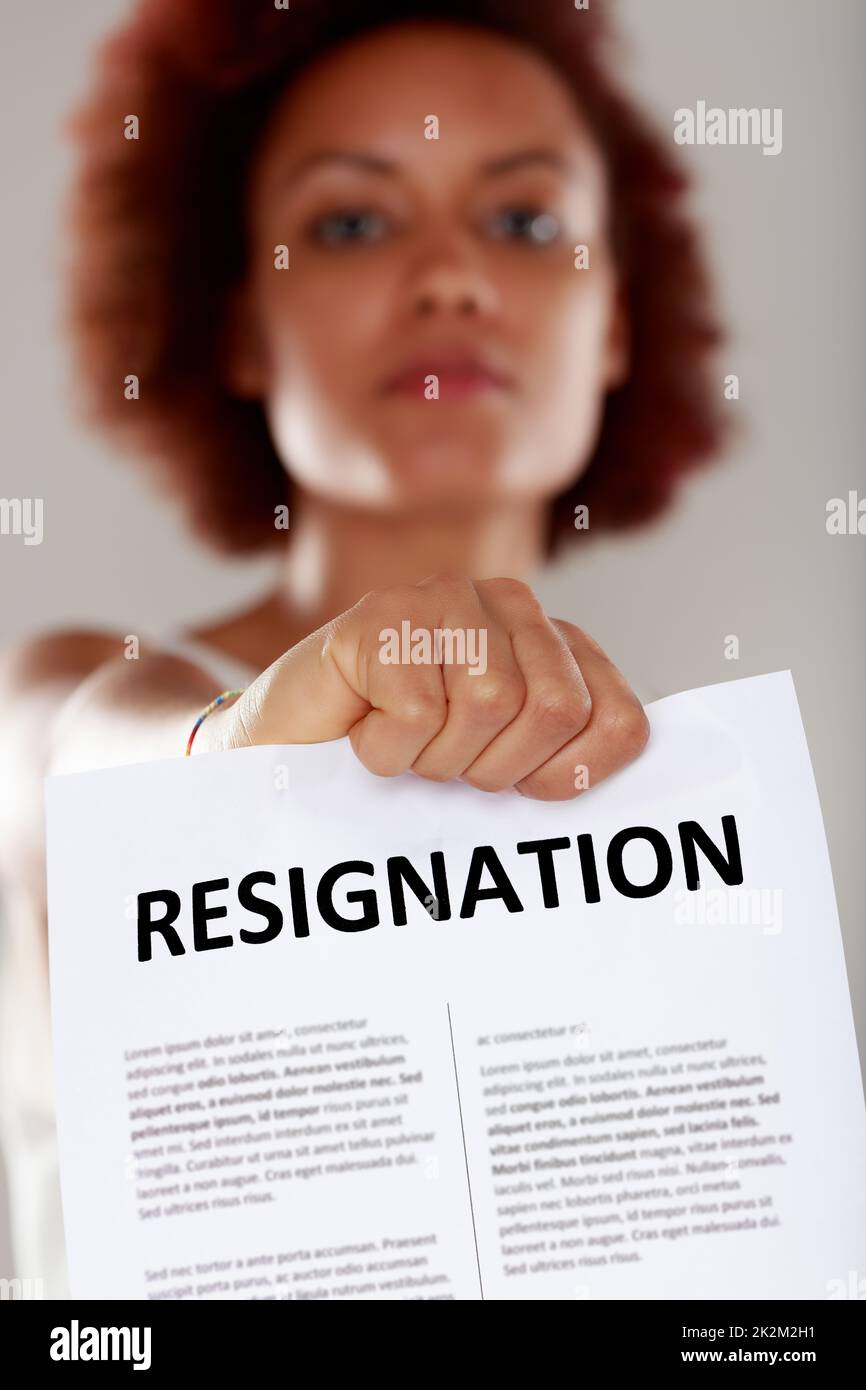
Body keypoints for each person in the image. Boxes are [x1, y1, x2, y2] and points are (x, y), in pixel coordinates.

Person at [0, 0, 725, 1297]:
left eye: (521, 220)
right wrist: (227, 757)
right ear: (233, 327)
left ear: (615, 319)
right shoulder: (83, 681)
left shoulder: (706, 822)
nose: (447, 275)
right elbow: (74, 761)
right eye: (350, 221)